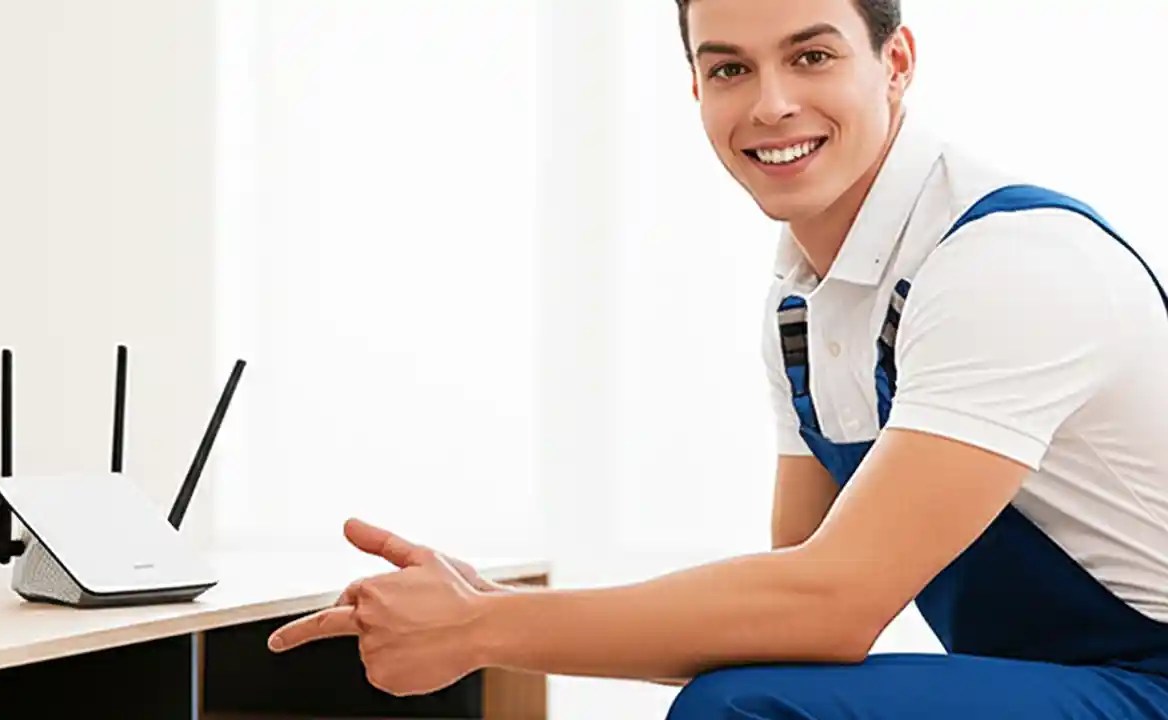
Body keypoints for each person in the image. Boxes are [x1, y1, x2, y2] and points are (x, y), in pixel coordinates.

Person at [267, 0, 1168, 716]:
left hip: (1150, 681)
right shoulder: (803, 304)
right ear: (695, 90)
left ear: (895, 66)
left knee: (747, 710)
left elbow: (830, 605)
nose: (771, 102)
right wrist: (483, 618)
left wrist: (487, 628)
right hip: (1075, 684)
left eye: (811, 56)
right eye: (730, 67)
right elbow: (786, 619)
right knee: (745, 691)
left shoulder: (1007, 263)